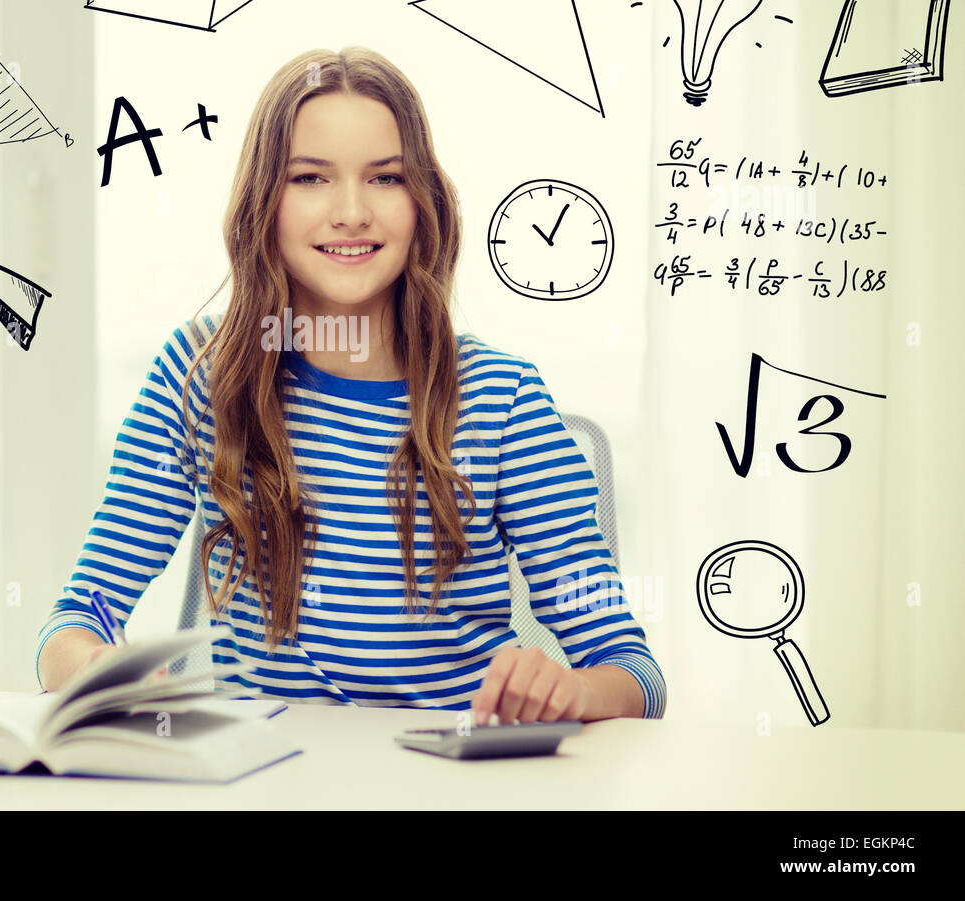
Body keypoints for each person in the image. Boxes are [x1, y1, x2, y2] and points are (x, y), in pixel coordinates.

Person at [36, 46, 665, 725]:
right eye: (310, 177)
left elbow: (634, 672)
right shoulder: (199, 375)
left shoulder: (501, 397)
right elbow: (75, 618)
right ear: (264, 201)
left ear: (422, 202)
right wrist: (95, 668)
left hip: (452, 780)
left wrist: (569, 691)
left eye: (386, 178)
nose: (351, 211)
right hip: (268, 780)